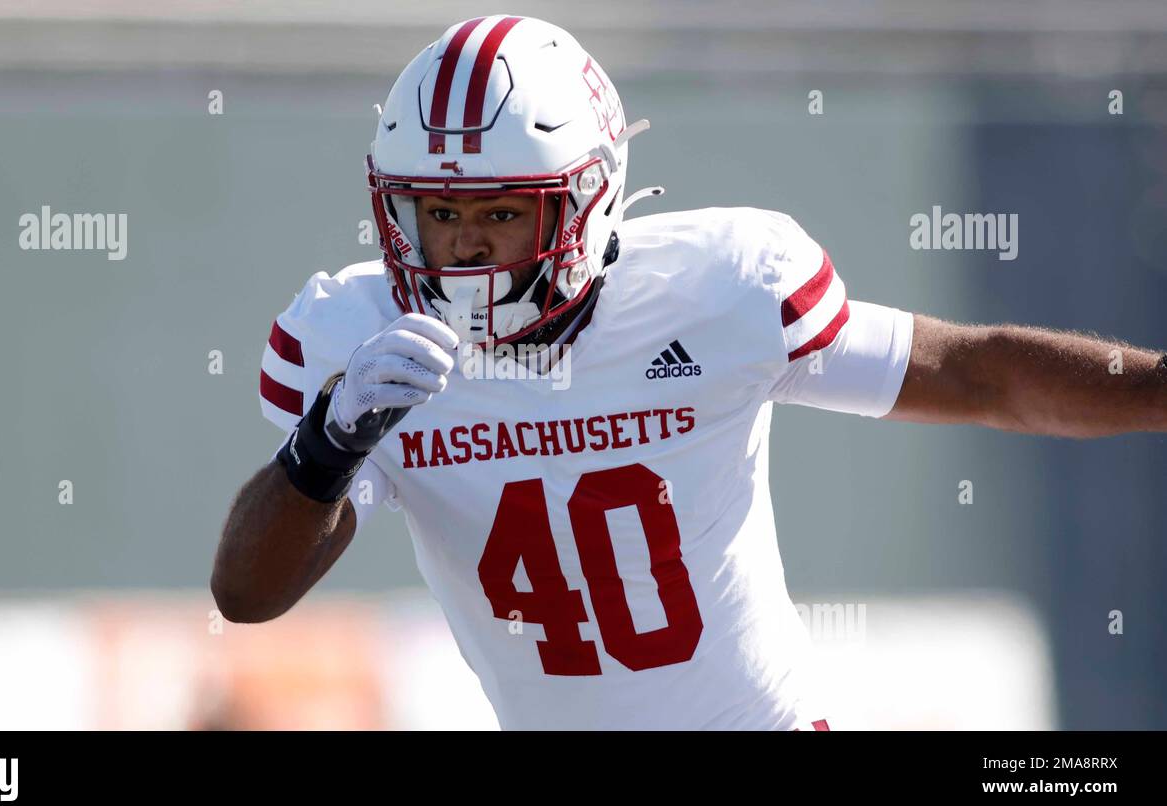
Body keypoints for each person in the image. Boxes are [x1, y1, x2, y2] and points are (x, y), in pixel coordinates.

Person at [212, 15, 1167, 730]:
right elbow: (245, 596)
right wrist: (322, 450)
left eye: (501, 215)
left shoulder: (719, 288)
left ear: (585, 203)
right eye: (439, 215)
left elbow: (976, 373)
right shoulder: (360, 340)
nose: (464, 252)